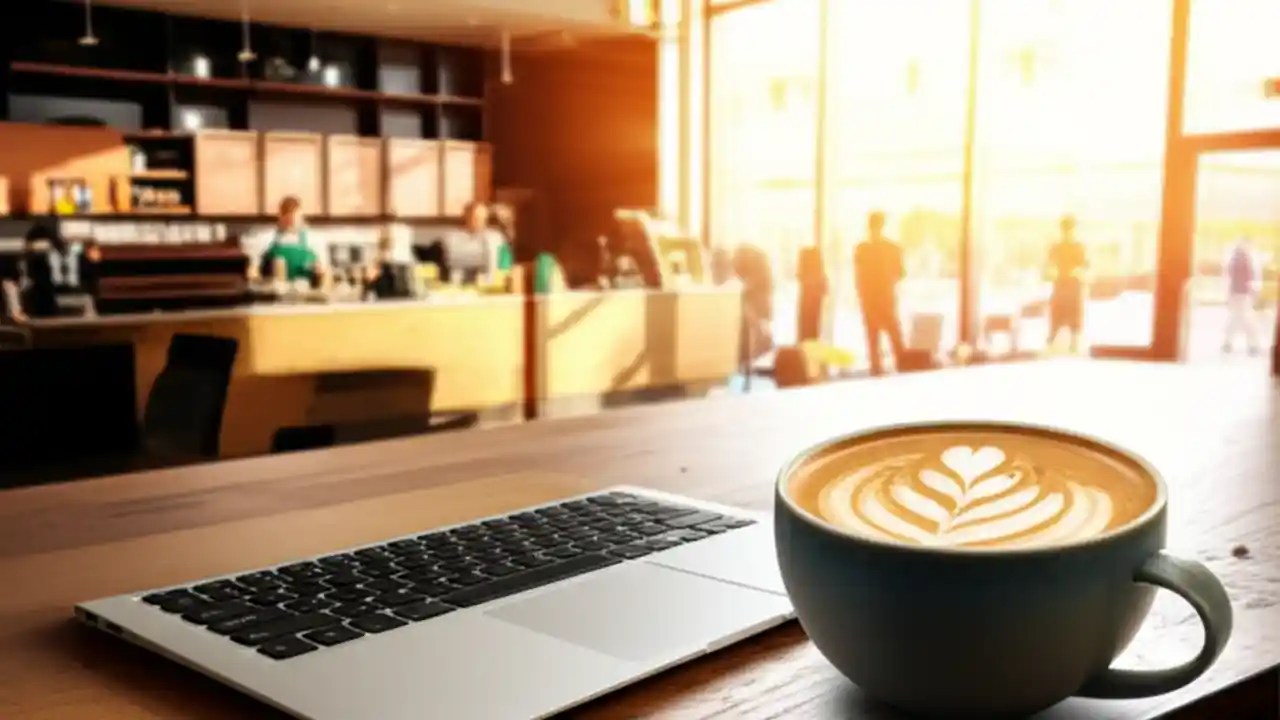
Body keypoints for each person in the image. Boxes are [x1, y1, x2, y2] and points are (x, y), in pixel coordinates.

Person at [854, 211, 905, 375]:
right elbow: (900, 273)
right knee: (891, 336)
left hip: (873, 299)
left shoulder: (862, 249)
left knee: (874, 337)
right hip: (883, 298)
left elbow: (859, 276)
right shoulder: (892, 248)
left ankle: (879, 368)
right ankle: (900, 365)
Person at [1046, 215, 1088, 353]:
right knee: (1057, 311)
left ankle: (1073, 342)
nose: (1067, 232)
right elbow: (1050, 265)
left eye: (1069, 229)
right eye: (1065, 229)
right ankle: (1053, 337)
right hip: (1060, 284)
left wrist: (1075, 271)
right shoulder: (1056, 247)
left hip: (1073, 284)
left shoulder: (1078, 247)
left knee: (1073, 313)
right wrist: (1054, 272)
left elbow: (1084, 265)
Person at [258, 196, 323, 286]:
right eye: (288, 218)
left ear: (301, 217)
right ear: (280, 216)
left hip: (306, 294)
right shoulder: (266, 238)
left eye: (295, 218)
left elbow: (323, 270)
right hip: (275, 293)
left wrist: (318, 271)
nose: (291, 222)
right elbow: (254, 271)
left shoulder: (314, 239)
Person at [437, 201, 506, 285]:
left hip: (489, 283)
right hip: (457, 284)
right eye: (475, 217)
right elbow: (448, 261)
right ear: (465, 216)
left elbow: (502, 263)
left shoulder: (495, 237)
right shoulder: (451, 238)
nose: (478, 220)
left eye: (481, 217)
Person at [1223, 236, 1261, 355]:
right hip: (1237, 292)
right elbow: (1227, 277)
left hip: (1243, 293)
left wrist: (1254, 290)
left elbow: (1255, 276)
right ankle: (1231, 343)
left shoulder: (1250, 258)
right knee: (1238, 318)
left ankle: (1249, 344)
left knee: (1244, 319)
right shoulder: (1233, 258)